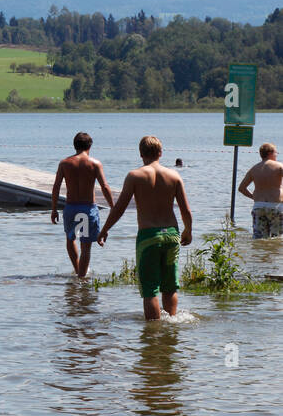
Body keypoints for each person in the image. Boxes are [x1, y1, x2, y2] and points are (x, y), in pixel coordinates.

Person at [98, 136, 193, 321]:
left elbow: (119, 208)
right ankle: (171, 327)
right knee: (170, 287)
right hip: (172, 236)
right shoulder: (174, 176)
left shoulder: (135, 176)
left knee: (150, 291)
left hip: (149, 236)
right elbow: (186, 210)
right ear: (160, 153)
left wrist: (105, 229)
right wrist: (188, 230)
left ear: (141, 154)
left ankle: (154, 334)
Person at [51, 131, 115, 278]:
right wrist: (112, 206)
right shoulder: (95, 163)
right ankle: (82, 276)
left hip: (71, 207)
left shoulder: (64, 163)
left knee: (70, 238)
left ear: (74, 145)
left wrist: (54, 209)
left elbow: (56, 187)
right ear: (90, 146)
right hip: (87, 208)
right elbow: (105, 186)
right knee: (86, 245)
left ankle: (78, 270)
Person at [237, 141, 283, 239]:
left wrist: (254, 197)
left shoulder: (254, 169)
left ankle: (260, 254)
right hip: (275, 206)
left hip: (258, 206)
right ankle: (274, 254)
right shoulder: (279, 166)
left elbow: (241, 188)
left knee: (259, 238)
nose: (276, 155)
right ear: (270, 153)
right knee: (277, 238)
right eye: (276, 152)